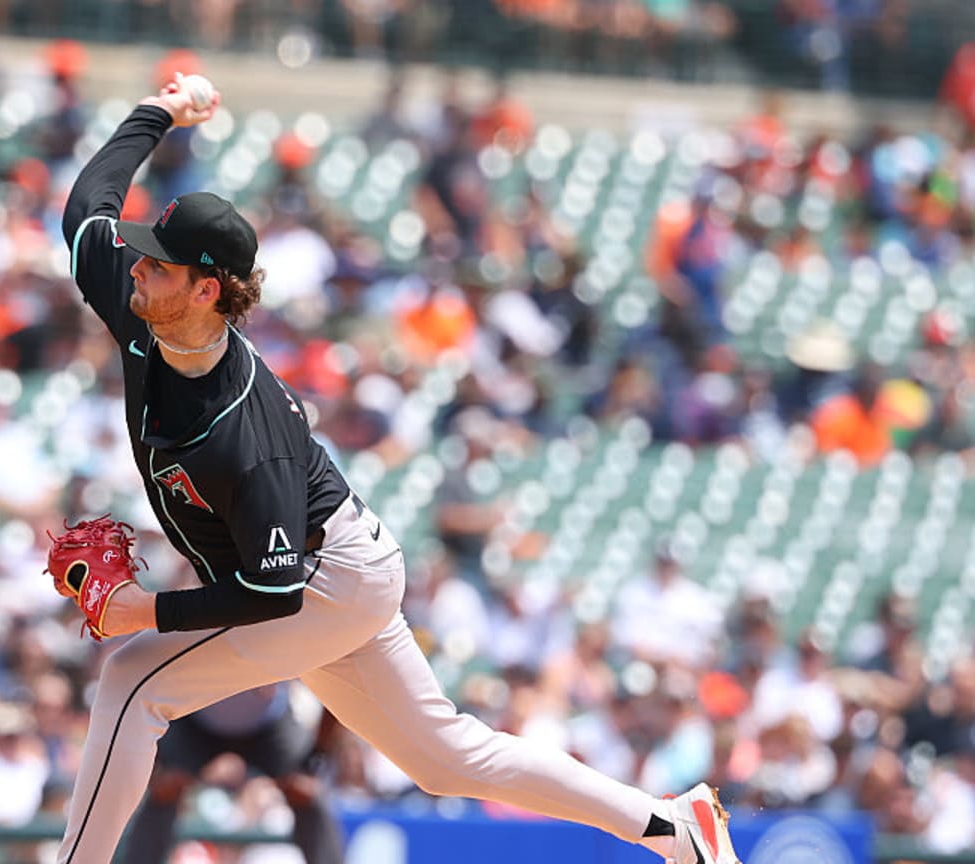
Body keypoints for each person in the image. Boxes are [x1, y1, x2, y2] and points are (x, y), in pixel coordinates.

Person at [54, 75, 742, 864]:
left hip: (320, 579)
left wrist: (137, 610)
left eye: (159, 268)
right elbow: (87, 209)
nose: (136, 271)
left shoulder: (245, 429)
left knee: (133, 682)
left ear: (206, 290)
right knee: (446, 759)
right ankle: (674, 828)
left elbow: (271, 592)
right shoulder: (142, 310)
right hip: (341, 567)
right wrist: (160, 116)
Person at [120, 684, 343, 864]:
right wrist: (156, 758)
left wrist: (318, 753)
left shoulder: (288, 630)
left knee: (305, 791)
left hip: (267, 723)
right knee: (165, 788)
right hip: (196, 720)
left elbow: (338, 680)